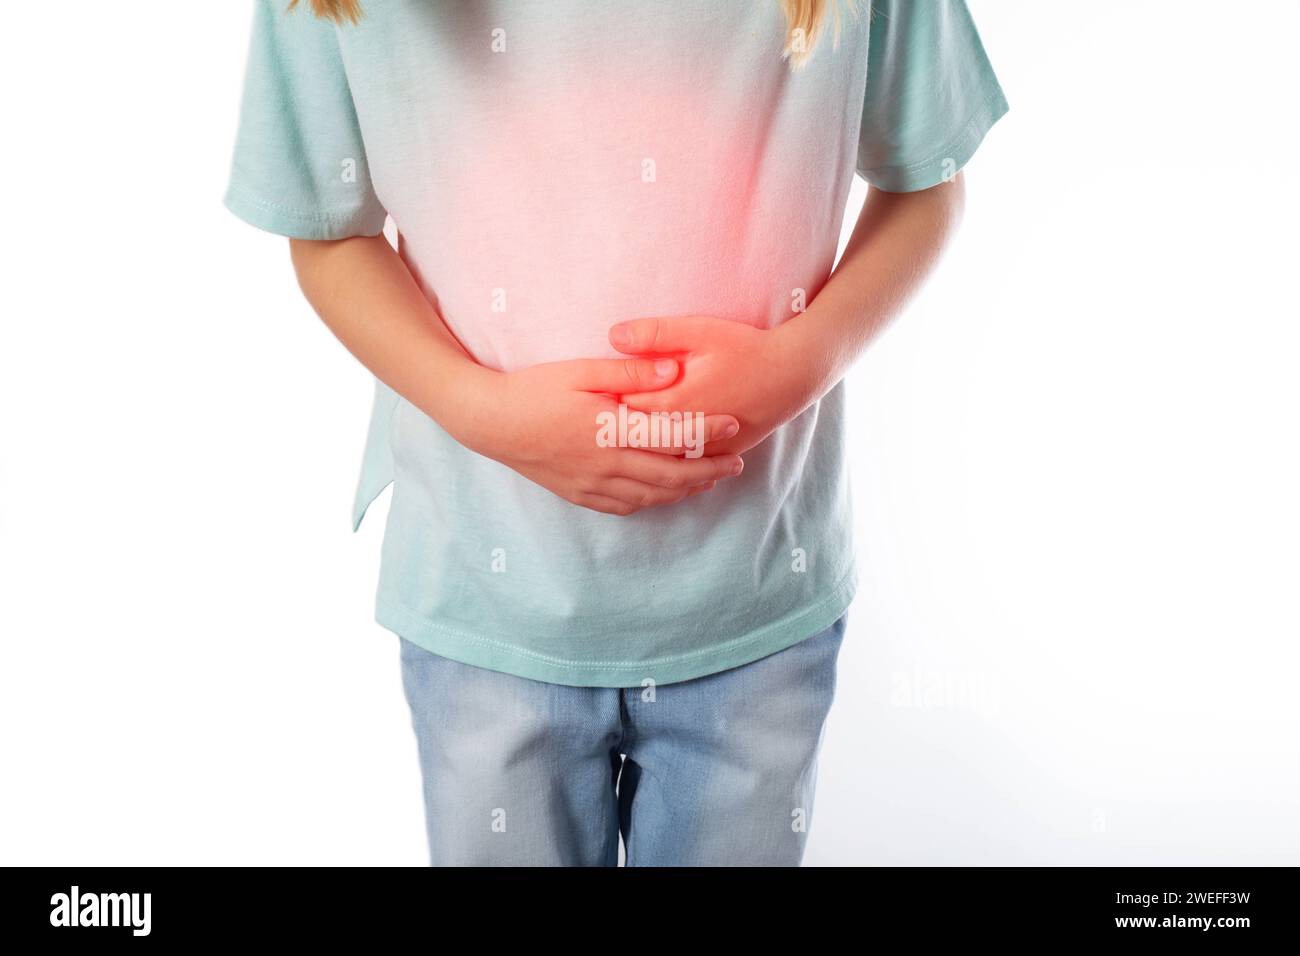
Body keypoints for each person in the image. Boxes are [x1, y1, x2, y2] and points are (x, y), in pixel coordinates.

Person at [224, 0, 1007, 866]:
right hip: (488, 604)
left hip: (753, 604)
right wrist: (482, 411)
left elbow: (927, 178)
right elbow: (329, 232)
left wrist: (803, 361)